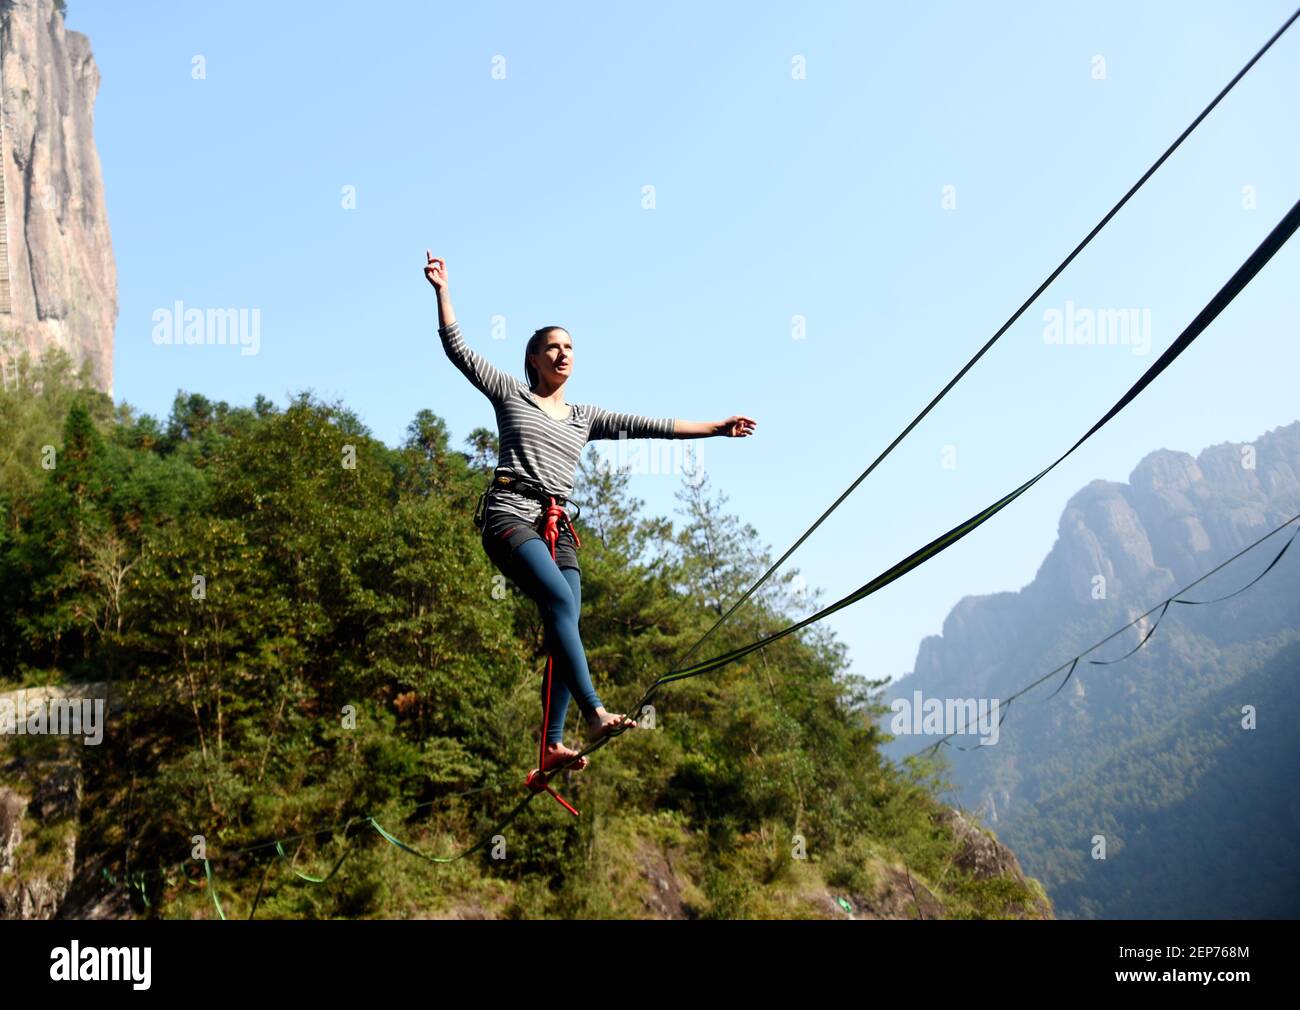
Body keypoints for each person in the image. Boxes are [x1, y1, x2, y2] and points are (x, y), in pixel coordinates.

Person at [424, 251, 757, 772]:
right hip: (511, 514)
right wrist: (443, 290)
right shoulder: (511, 393)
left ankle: (552, 744)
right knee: (558, 599)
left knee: (567, 622)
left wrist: (716, 428)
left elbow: (653, 426)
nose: (562, 355)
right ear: (532, 359)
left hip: (559, 528)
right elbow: (459, 349)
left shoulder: (585, 417)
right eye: (552, 348)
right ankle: (595, 710)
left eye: (569, 348)